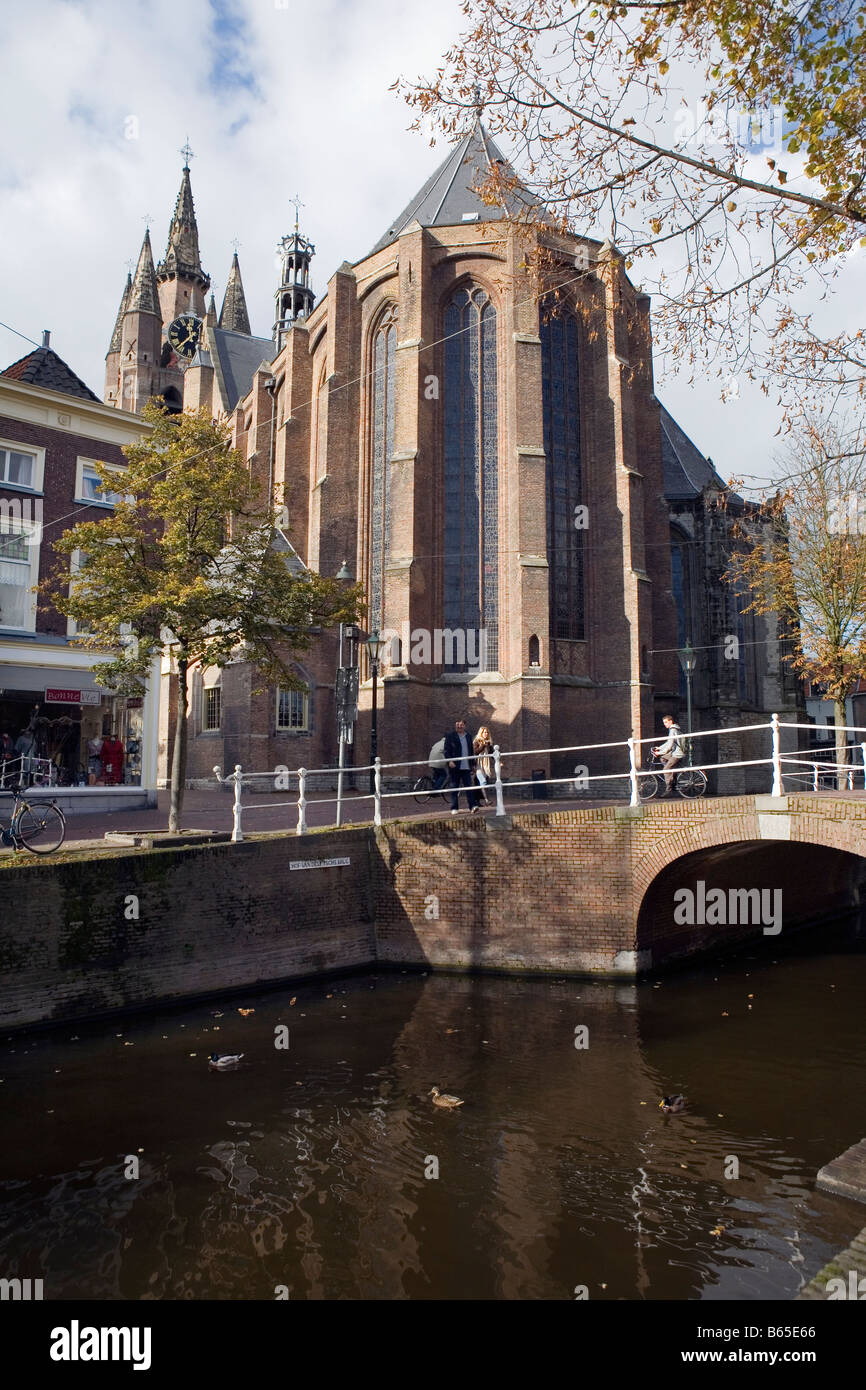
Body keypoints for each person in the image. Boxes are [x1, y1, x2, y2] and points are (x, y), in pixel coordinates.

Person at [443, 718, 479, 814]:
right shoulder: (450, 736)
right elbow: (446, 750)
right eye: (457, 724)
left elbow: (471, 751)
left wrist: (473, 764)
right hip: (455, 766)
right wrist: (450, 760)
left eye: (461, 724)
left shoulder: (468, 736)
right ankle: (454, 808)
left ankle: (472, 806)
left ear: (464, 726)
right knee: (454, 787)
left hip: (466, 766)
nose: (459, 726)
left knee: (469, 788)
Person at [652, 715, 685, 796]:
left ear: (671, 721)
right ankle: (671, 776)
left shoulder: (673, 730)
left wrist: (659, 753)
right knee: (663, 758)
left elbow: (669, 746)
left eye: (666, 722)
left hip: (677, 754)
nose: (665, 724)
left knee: (666, 768)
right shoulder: (674, 729)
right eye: (664, 722)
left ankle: (668, 789)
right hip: (676, 752)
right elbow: (668, 742)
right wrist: (659, 748)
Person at [473, 725, 494, 805]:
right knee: (483, 782)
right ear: (481, 733)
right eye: (484, 732)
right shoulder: (476, 741)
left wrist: (498, 761)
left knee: (479, 783)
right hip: (478, 765)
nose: (486, 734)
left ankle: (477, 802)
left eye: (487, 732)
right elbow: (475, 752)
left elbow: (492, 753)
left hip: (486, 766)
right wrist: (483, 745)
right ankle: (487, 800)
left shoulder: (489, 743)